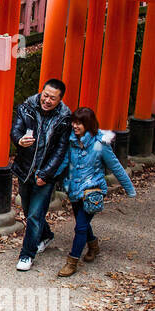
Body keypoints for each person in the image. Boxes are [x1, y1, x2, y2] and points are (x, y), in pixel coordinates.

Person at [57, 106, 136, 278]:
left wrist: (129, 189)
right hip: (74, 190)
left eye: (80, 123)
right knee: (82, 223)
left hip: (93, 190)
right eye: (74, 122)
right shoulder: (71, 141)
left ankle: (72, 262)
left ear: (88, 124)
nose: (75, 126)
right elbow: (63, 163)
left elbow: (116, 167)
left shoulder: (100, 144)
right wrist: (47, 178)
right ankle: (93, 245)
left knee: (80, 227)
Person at [10, 78, 71, 272]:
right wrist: (19, 140)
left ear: (59, 100)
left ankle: (27, 255)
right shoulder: (26, 107)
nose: (47, 100)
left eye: (52, 98)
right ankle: (45, 235)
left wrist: (46, 173)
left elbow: (60, 150)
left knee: (35, 215)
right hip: (25, 169)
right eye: (45, 95)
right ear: (41, 92)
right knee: (28, 210)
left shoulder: (64, 118)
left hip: (45, 173)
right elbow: (15, 130)